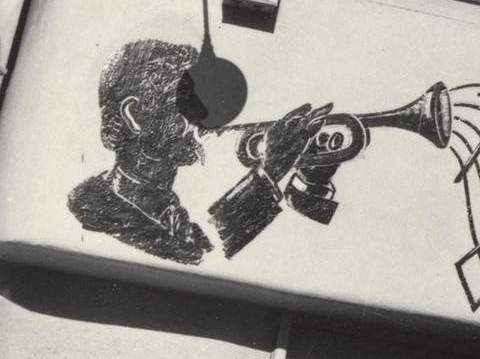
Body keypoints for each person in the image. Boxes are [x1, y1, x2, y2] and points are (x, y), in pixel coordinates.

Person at [69, 38, 329, 265]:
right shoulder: (97, 217)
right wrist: (270, 170)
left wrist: (309, 180)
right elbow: (206, 259)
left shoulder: (173, 217)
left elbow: (214, 248)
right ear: (135, 115)